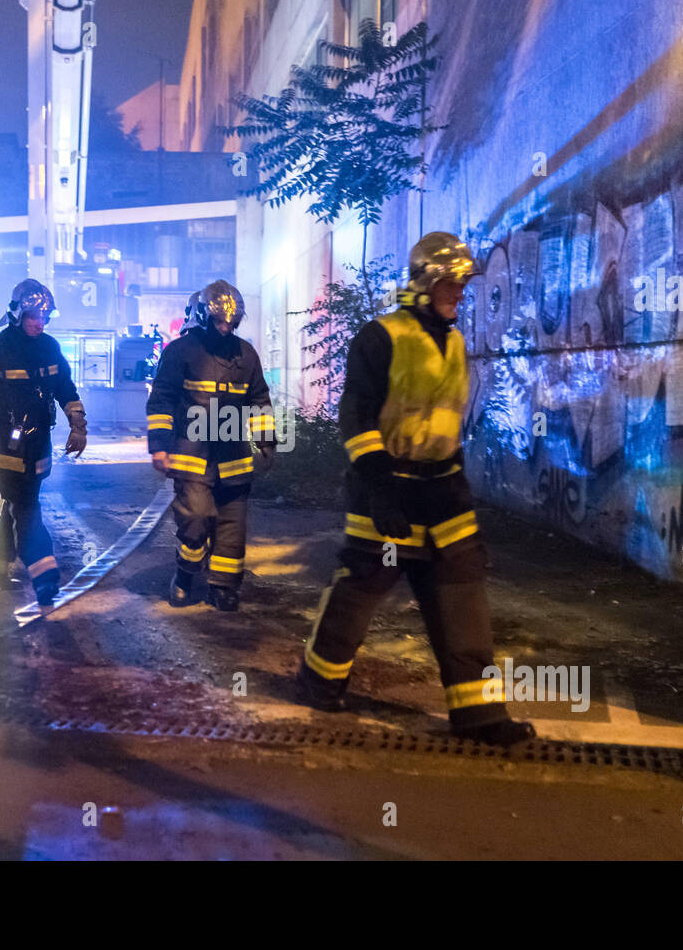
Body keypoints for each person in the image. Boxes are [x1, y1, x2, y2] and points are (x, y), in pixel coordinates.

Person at [294, 232, 537, 746]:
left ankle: (480, 716)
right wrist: (378, 487)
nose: (460, 293)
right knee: (364, 585)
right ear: (426, 279)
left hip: (444, 491)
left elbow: (447, 423)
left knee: (462, 590)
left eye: (463, 284)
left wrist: (462, 490)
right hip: (387, 486)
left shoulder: (453, 341)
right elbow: (356, 416)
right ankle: (319, 679)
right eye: (452, 282)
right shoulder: (380, 336)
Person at [0, 278, 87, 614]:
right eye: (34, 315)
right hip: (5, 445)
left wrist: (78, 425)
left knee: (19, 501)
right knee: (25, 506)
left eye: (45, 317)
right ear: (17, 313)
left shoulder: (50, 347)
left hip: (39, 445)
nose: (40, 323)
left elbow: (65, 387)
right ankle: (44, 573)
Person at [146, 280, 275, 611]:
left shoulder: (245, 354)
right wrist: (160, 445)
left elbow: (260, 398)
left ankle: (223, 586)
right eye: (219, 321)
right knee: (197, 519)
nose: (225, 328)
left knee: (233, 526)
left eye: (231, 323)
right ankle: (186, 575)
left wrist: (266, 439)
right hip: (192, 457)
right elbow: (162, 400)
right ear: (204, 316)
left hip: (233, 457)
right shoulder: (180, 352)